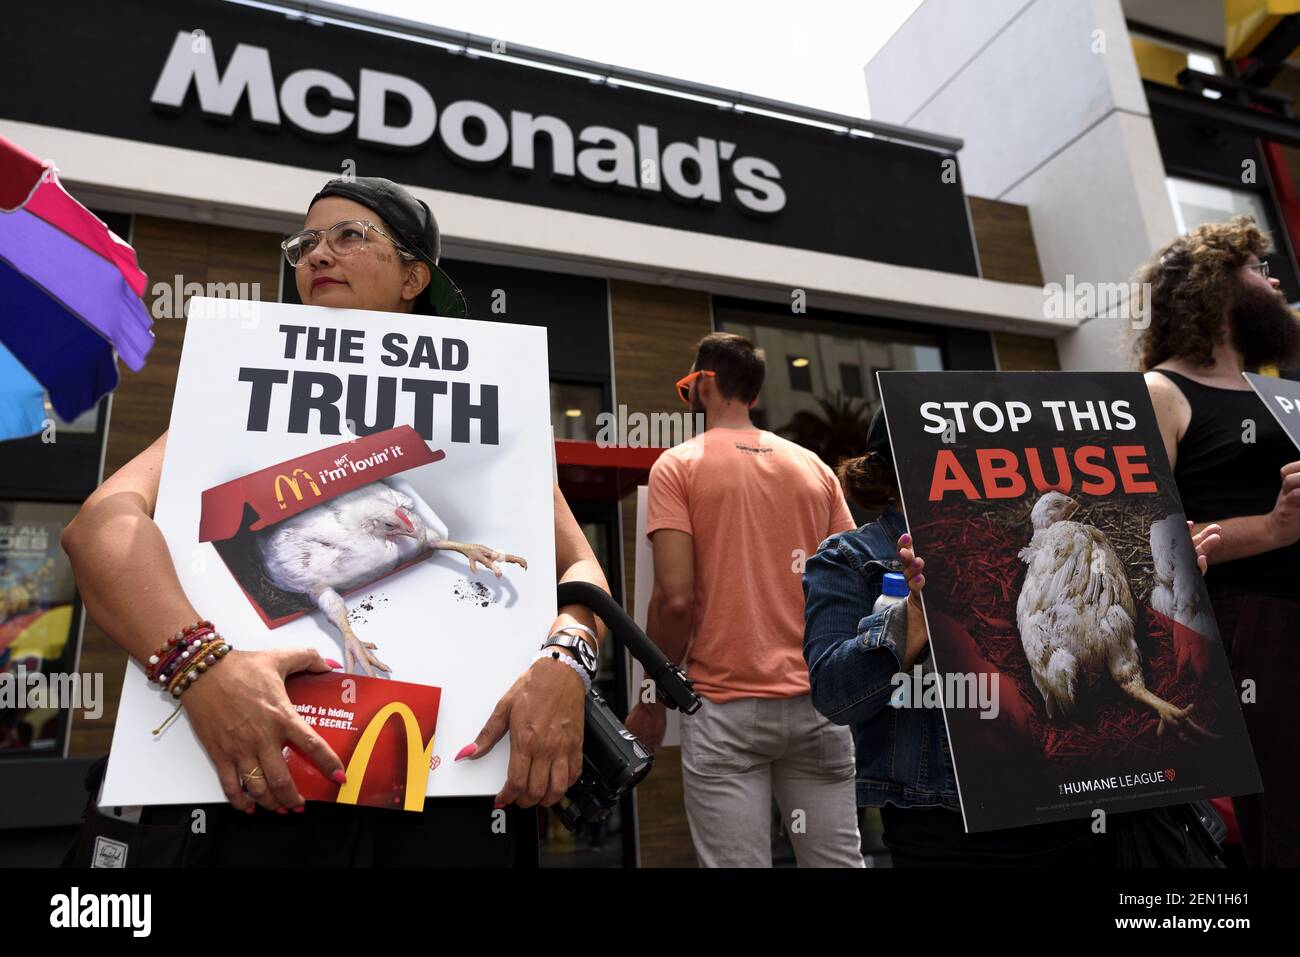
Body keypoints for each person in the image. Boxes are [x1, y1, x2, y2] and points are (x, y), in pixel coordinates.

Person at [60, 176, 609, 867]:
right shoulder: (239, 386)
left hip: (456, 793)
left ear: (415, 275)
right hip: (261, 787)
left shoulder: (485, 401)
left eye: (350, 236)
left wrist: (566, 660)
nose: (317, 254)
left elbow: (581, 569)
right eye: (305, 242)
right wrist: (201, 670)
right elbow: (100, 526)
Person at [802, 410, 1222, 866]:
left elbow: (1111, 647)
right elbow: (836, 694)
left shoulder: (1016, 536)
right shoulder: (850, 556)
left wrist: (1176, 594)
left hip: (1083, 817)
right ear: (890, 469)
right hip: (950, 835)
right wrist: (913, 617)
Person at [623, 332, 864, 867]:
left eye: (687, 387)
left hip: (727, 711)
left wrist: (649, 700)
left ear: (703, 385)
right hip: (819, 706)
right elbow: (850, 582)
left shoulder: (679, 465)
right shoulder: (813, 469)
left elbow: (675, 601)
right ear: (753, 394)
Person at [1136, 215, 1300, 867]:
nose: (1272, 279)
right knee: (1285, 814)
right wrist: (1273, 527)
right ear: (1213, 288)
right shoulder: (1162, 390)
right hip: (1251, 622)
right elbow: (1149, 536)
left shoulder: (1282, 390)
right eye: (1256, 268)